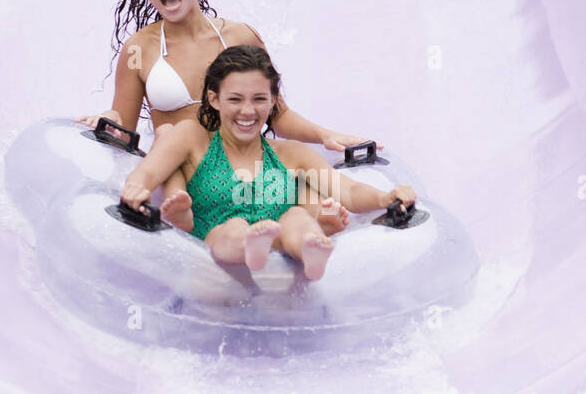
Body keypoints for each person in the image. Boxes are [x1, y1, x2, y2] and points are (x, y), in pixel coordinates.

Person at [77, 0, 378, 228]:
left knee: (310, 195)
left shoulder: (240, 37)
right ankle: (183, 214)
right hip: (187, 168)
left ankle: (318, 232)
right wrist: (109, 115)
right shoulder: (138, 50)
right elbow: (124, 129)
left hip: (242, 160)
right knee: (169, 132)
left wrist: (325, 135)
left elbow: (277, 113)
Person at [120, 46, 415, 282]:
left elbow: (347, 191)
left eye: (259, 99)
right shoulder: (192, 138)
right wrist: (135, 188)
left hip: (278, 243)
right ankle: (249, 244)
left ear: (273, 101)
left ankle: (312, 250)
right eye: (235, 99)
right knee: (233, 227)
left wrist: (384, 197)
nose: (247, 111)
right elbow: (150, 170)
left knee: (297, 219)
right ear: (214, 99)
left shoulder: (291, 154)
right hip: (216, 241)